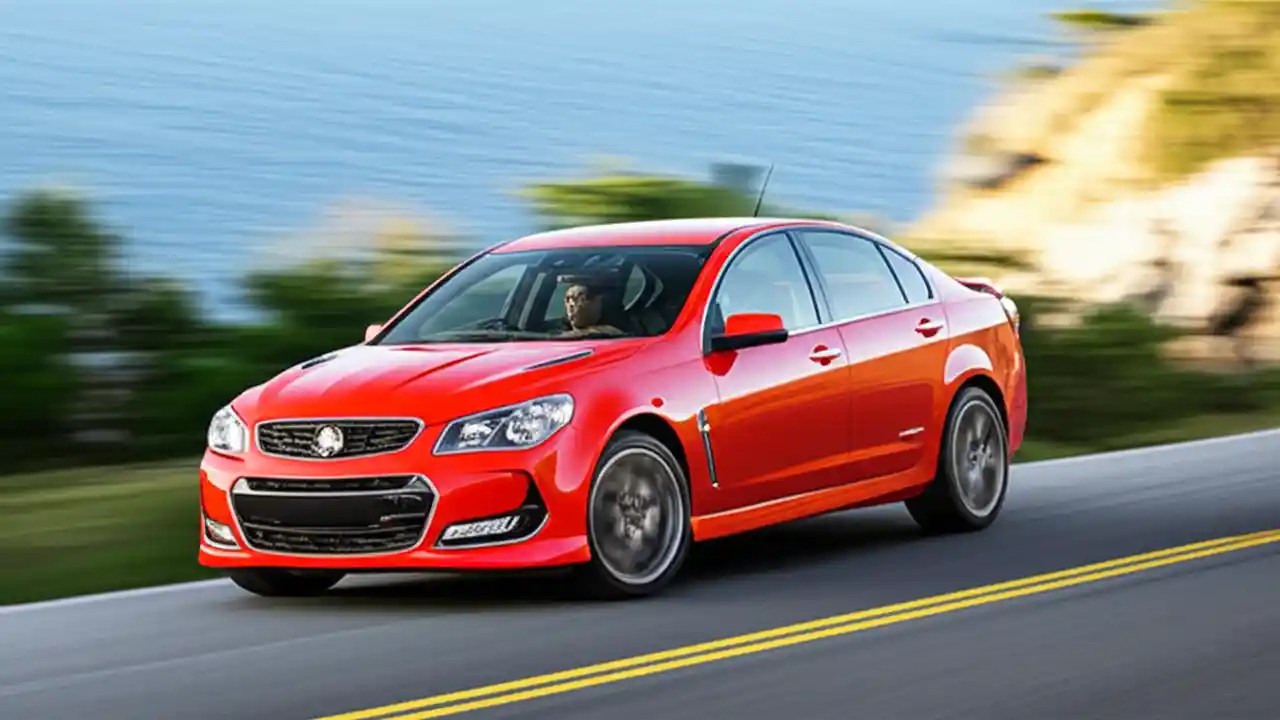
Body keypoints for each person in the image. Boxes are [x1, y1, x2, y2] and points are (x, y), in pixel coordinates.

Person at [559, 274, 626, 337]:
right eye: (567, 299)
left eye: (580, 299)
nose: (571, 305)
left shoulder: (616, 334)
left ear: (597, 301)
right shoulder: (555, 331)